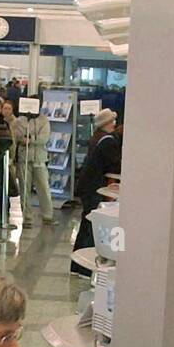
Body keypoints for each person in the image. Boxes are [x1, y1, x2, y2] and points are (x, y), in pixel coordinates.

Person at [71, 108, 122, 277]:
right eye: (112, 120)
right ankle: (86, 268)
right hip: (94, 188)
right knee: (92, 227)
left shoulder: (97, 139)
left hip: (87, 186)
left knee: (86, 225)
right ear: (107, 123)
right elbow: (115, 164)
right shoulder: (108, 141)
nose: (114, 123)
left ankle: (76, 266)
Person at [15, 98, 54, 227]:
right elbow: (18, 135)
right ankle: (27, 217)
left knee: (43, 187)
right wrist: (25, 139)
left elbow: (44, 138)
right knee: (24, 188)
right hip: (23, 158)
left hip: (39, 158)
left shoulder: (44, 120)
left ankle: (48, 215)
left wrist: (31, 139)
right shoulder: (20, 121)